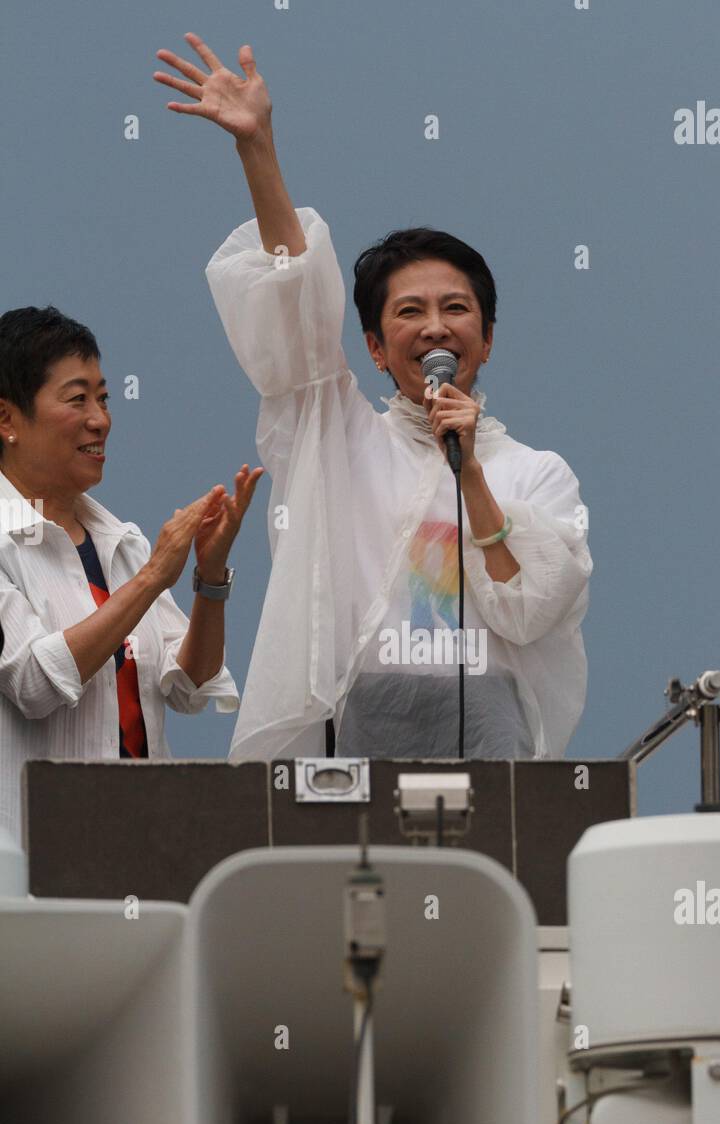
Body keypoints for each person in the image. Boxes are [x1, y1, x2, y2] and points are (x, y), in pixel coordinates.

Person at [155, 33, 592, 762]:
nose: (434, 327)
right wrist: (257, 148)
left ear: (487, 339)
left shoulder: (538, 474)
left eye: (455, 310)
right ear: (374, 349)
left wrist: (471, 474)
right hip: (344, 737)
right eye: (408, 312)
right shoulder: (340, 434)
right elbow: (295, 312)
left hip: (488, 744)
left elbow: (528, 609)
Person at [0, 304, 263, 846]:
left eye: (103, 398)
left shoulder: (118, 541)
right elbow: (33, 681)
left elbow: (188, 686)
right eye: (77, 399)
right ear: (8, 420)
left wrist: (207, 580)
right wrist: (150, 580)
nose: (101, 419)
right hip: (33, 855)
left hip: (143, 843)